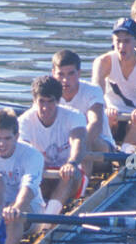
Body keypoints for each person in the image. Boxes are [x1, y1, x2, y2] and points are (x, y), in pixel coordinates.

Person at [0, 108, 46, 244]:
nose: (2, 144)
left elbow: (28, 189)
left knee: (14, 216)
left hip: (30, 210)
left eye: (7, 138)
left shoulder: (32, 155)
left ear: (17, 136)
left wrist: (16, 208)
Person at [18, 75, 88, 212]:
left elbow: (78, 141)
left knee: (67, 176)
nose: (45, 107)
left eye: (50, 102)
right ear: (34, 100)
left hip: (69, 175)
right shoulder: (24, 121)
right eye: (41, 101)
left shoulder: (74, 116)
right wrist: (36, 165)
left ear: (58, 101)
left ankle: (48, 220)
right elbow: (24, 150)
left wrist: (72, 163)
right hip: (41, 175)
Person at [92, 17, 136, 151]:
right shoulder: (103, 62)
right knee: (105, 118)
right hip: (113, 113)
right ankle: (112, 157)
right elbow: (96, 90)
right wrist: (105, 107)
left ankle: (128, 162)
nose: (121, 47)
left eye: (127, 41)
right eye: (118, 41)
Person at [52, 49, 113, 156]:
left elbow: (95, 123)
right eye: (61, 74)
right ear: (53, 74)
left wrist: (76, 148)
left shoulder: (92, 90)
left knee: (84, 137)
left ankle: (82, 169)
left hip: (101, 147)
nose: (65, 80)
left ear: (79, 73)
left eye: (71, 74)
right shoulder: (49, 95)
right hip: (64, 147)